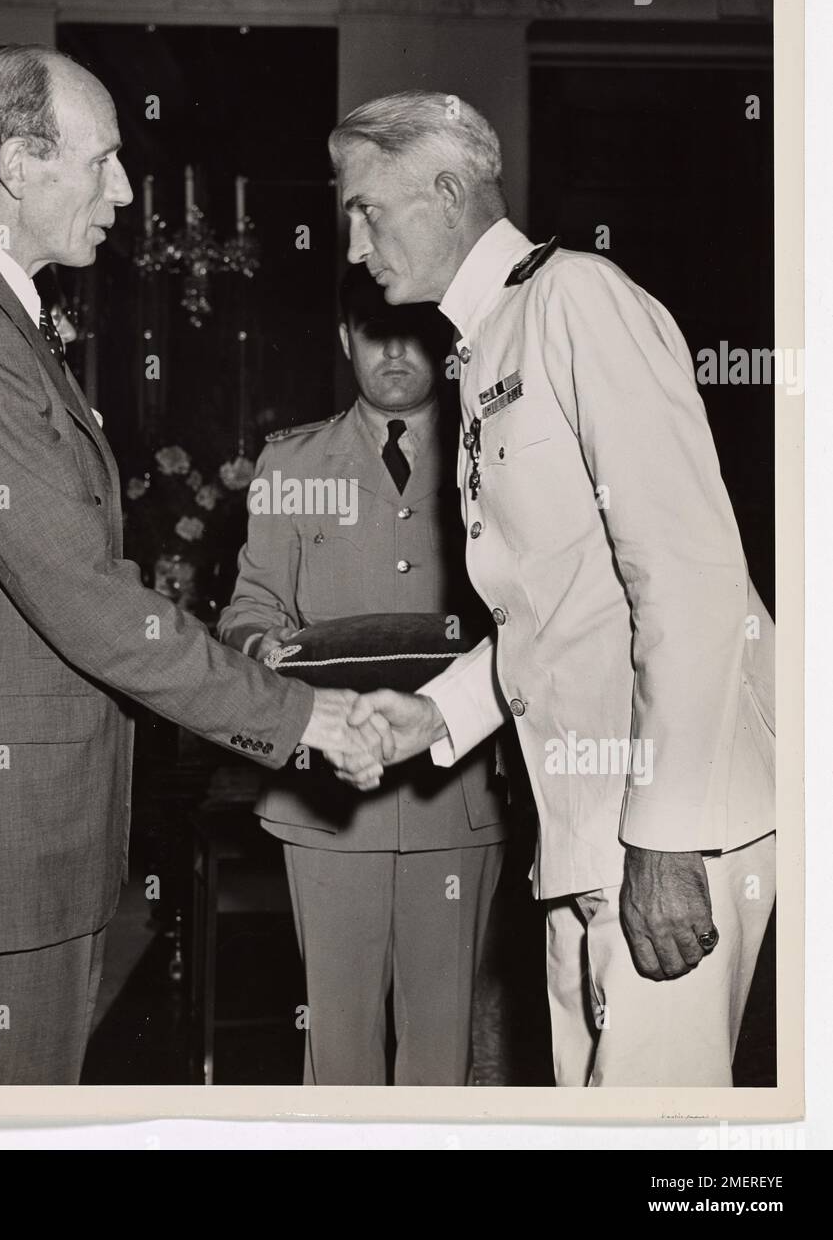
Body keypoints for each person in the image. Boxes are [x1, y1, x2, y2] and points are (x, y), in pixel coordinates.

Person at [0, 44, 382, 1086]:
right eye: (99, 161)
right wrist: (299, 715)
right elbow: (82, 596)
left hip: (30, 821)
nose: (126, 188)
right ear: (18, 163)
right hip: (2, 832)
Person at [334, 90, 776, 1087]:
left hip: (669, 825)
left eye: (369, 210)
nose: (355, 246)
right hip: (583, 833)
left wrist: (666, 840)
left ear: (448, 187)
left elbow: (690, 572)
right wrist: (426, 718)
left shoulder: (577, 298)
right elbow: (563, 610)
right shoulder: (487, 339)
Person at [219, 268, 508, 1085]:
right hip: (327, 791)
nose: (393, 351)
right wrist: (259, 649)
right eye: (373, 331)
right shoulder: (289, 462)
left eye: (414, 332)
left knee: (441, 1044)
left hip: (455, 791)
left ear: (448, 345)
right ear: (344, 338)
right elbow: (249, 604)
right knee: (336, 1039)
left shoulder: (491, 450)